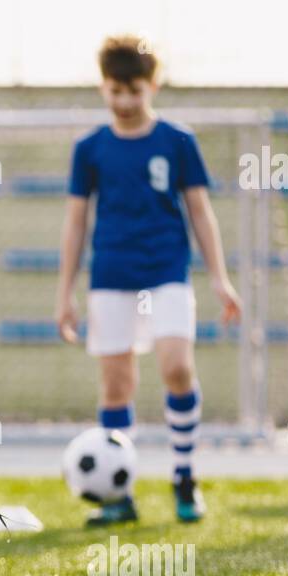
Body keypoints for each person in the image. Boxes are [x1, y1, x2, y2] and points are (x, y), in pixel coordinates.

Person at [55, 35, 241, 526]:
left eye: (134, 91)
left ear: (152, 85)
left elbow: (200, 211)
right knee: (116, 384)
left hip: (166, 272)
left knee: (177, 367)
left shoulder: (178, 141)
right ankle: (121, 494)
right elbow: (76, 222)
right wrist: (65, 293)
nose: (124, 101)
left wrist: (220, 279)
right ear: (104, 88)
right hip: (111, 275)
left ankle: (184, 476)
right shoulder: (90, 148)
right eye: (115, 91)